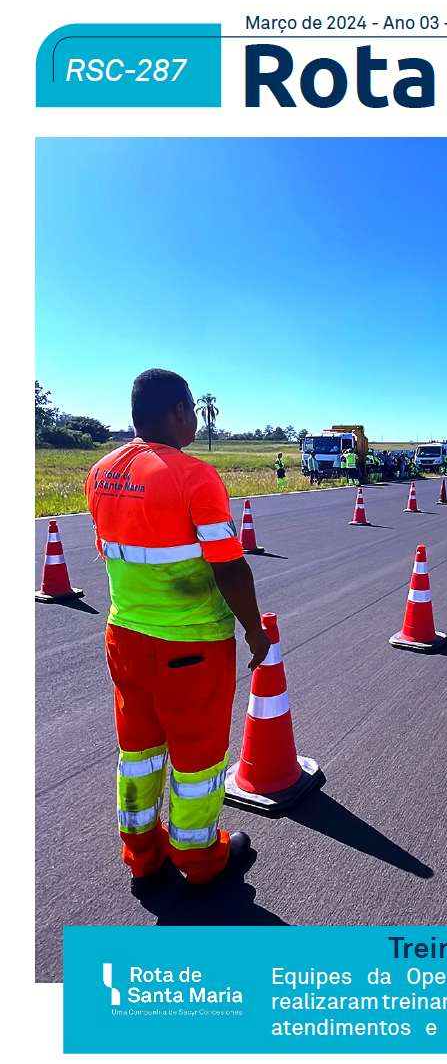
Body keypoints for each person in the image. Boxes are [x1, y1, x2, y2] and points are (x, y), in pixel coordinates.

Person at [84, 369, 271, 892]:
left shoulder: (101, 472)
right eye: (191, 408)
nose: (194, 418)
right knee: (197, 761)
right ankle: (200, 858)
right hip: (189, 646)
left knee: (138, 752)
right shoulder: (194, 476)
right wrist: (254, 630)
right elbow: (230, 565)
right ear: (176, 412)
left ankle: (142, 853)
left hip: (125, 638)